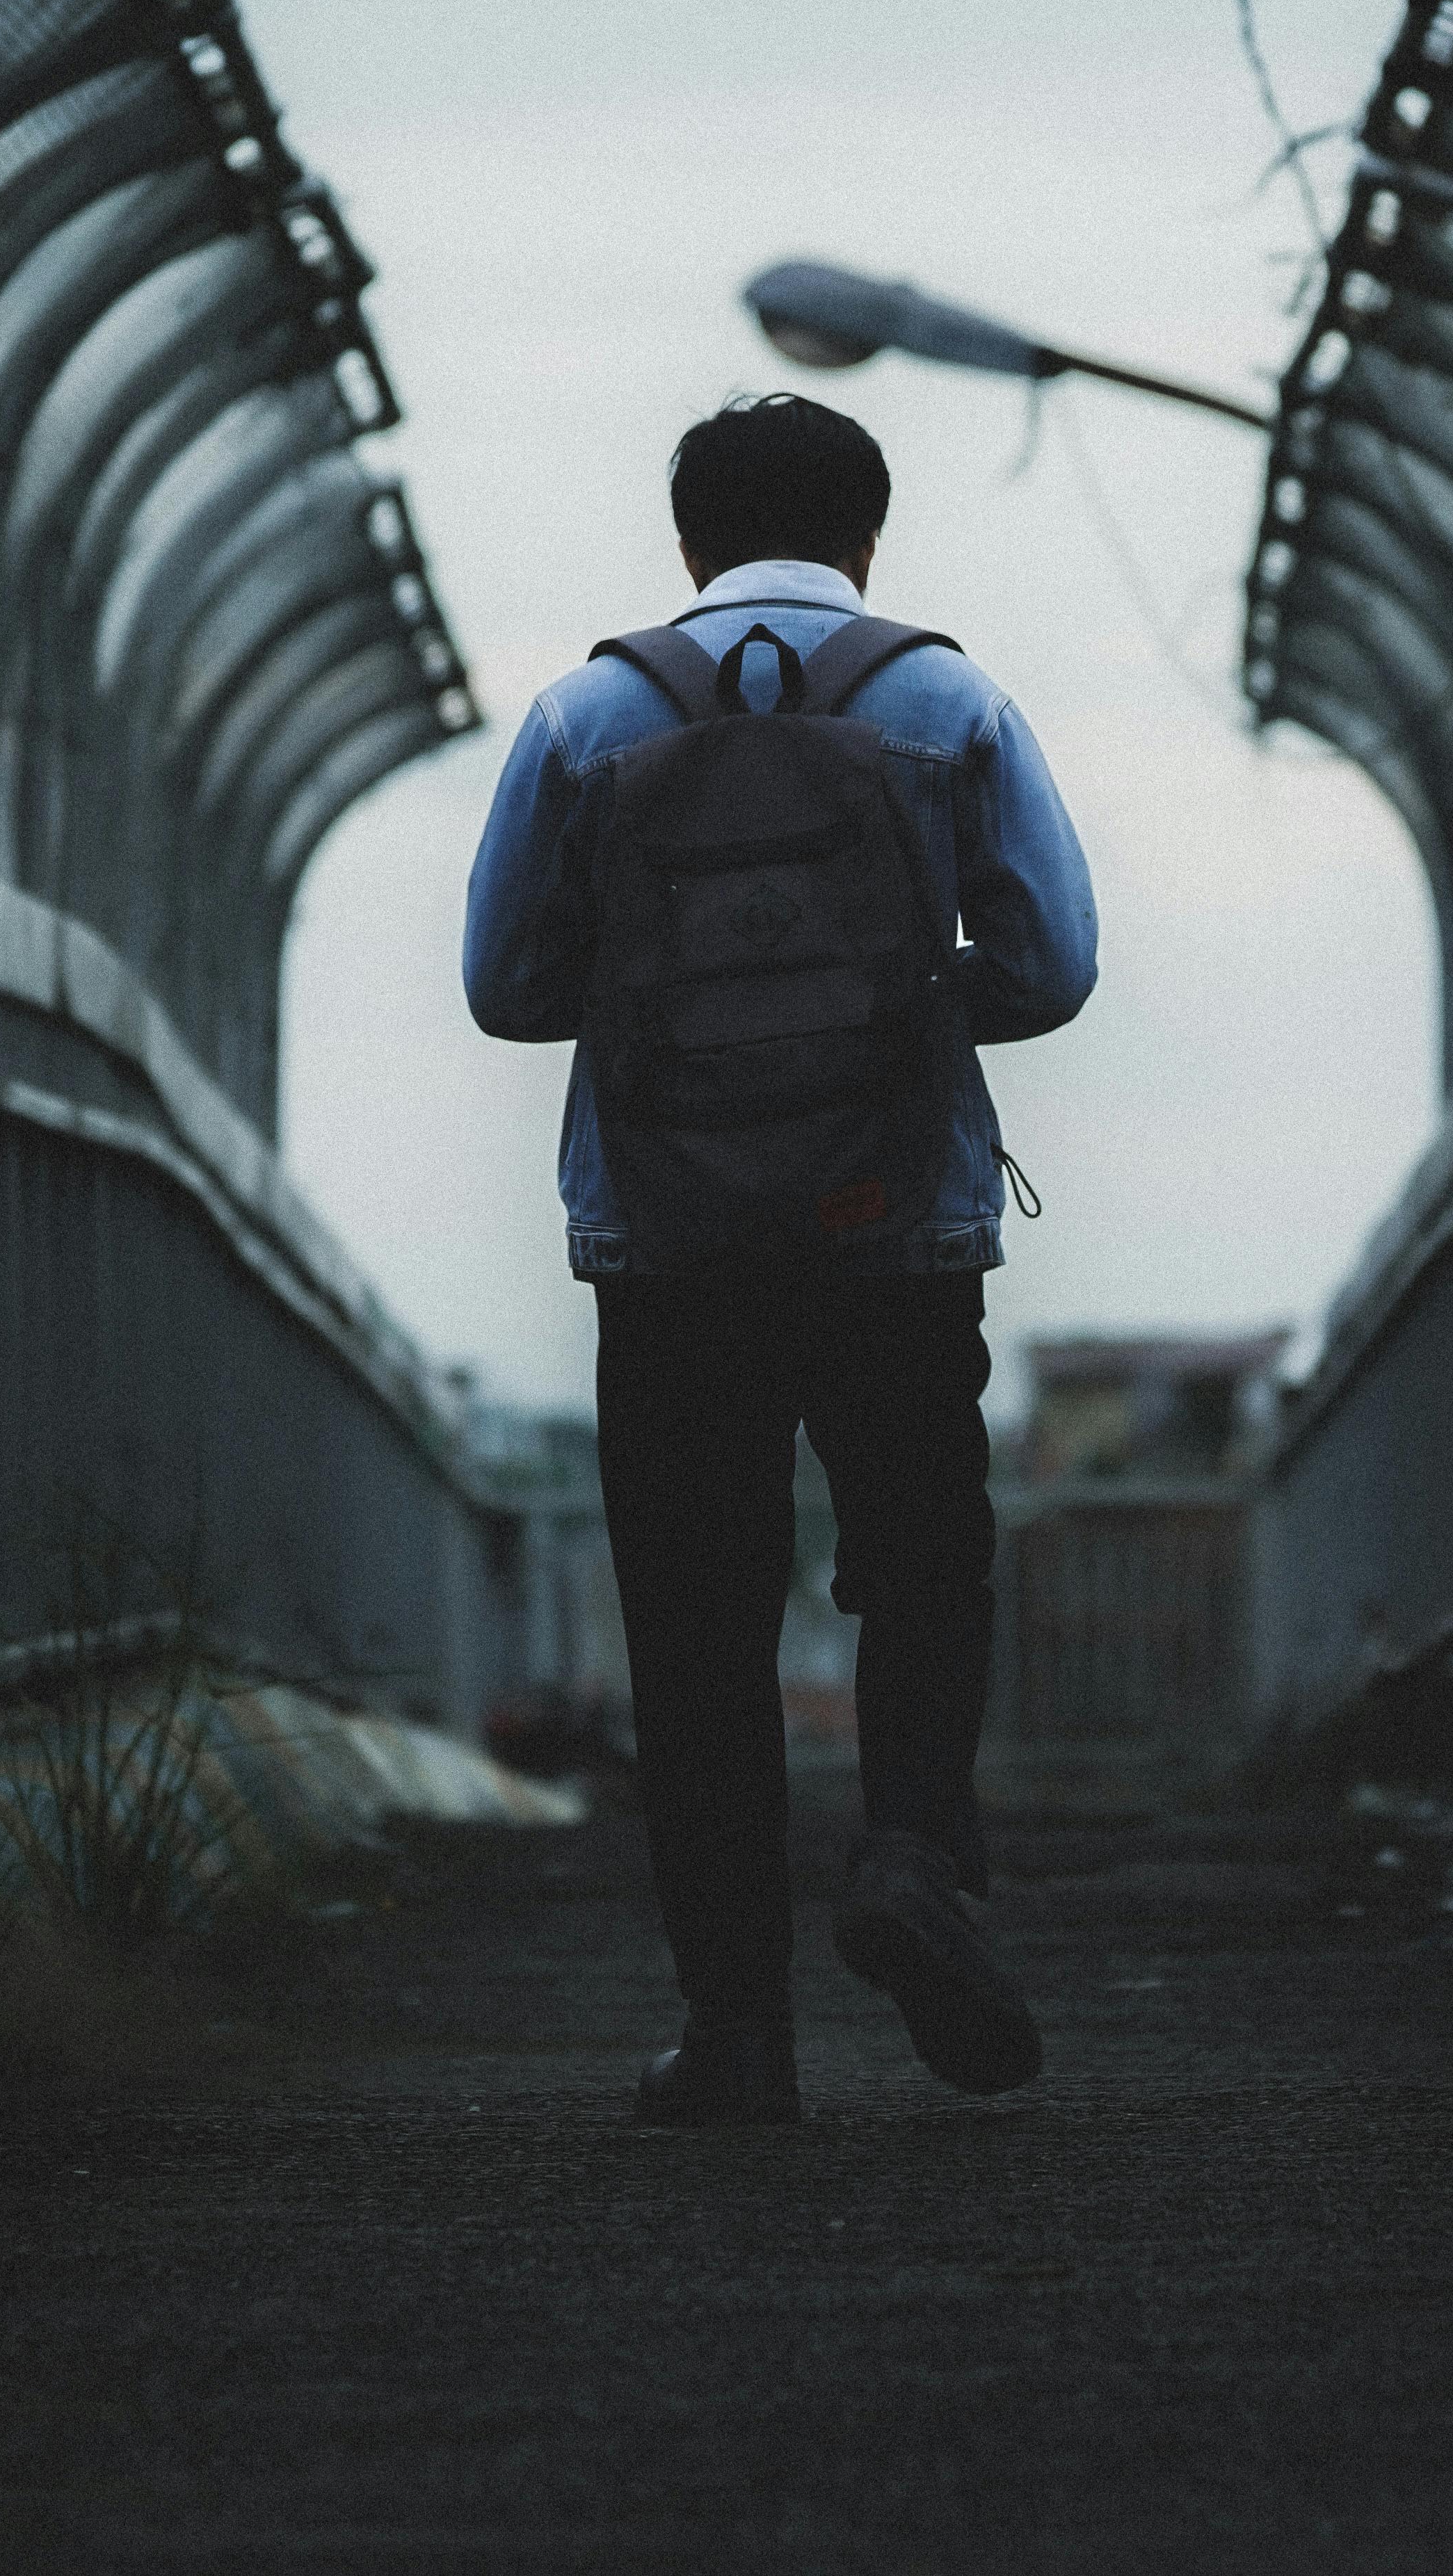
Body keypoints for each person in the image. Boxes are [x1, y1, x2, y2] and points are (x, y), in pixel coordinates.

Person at [463, 393, 1098, 2123]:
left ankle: (733, 2034)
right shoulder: (946, 698)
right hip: (895, 1228)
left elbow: (507, 991)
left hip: (665, 1245)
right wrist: (907, 1006)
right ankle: (904, 1854)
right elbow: (1050, 970)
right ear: (866, 535)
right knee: (919, 1563)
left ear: (686, 541)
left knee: (693, 1627)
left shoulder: (588, 712)